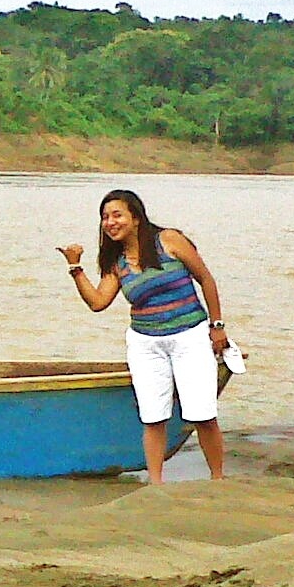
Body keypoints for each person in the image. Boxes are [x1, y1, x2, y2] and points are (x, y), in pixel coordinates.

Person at [58, 189, 228, 483]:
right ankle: (156, 484)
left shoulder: (169, 240)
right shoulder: (116, 262)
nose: (110, 222)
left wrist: (217, 326)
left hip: (190, 335)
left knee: (202, 413)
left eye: (117, 215)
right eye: (104, 217)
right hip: (145, 343)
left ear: (135, 217)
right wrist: (75, 267)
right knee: (153, 416)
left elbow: (206, 279)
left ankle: (218, 479)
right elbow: (98, 302)